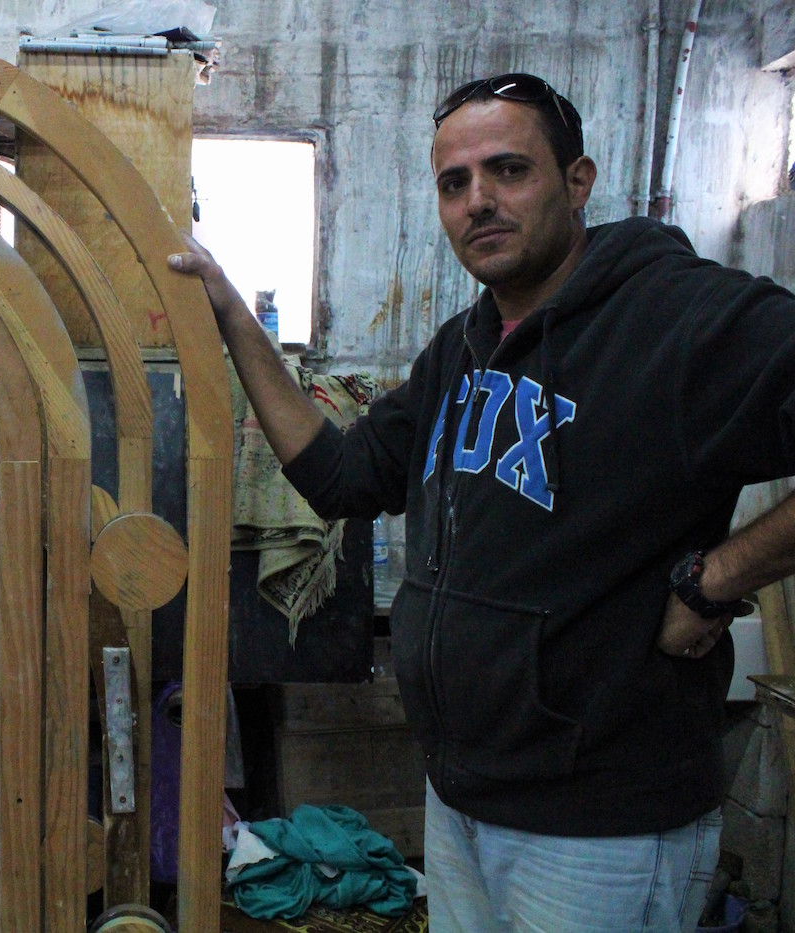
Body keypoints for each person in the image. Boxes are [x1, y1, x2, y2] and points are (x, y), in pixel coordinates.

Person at [170, 73, 795, 932]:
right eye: (454, 183)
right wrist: (231, 311)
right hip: (460, 802)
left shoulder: (677, 315)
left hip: (599, 828)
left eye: (508, 170)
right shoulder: (465, 347)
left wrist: (716, 579)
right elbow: (343, 477)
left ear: (577, 181)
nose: (478, 202)